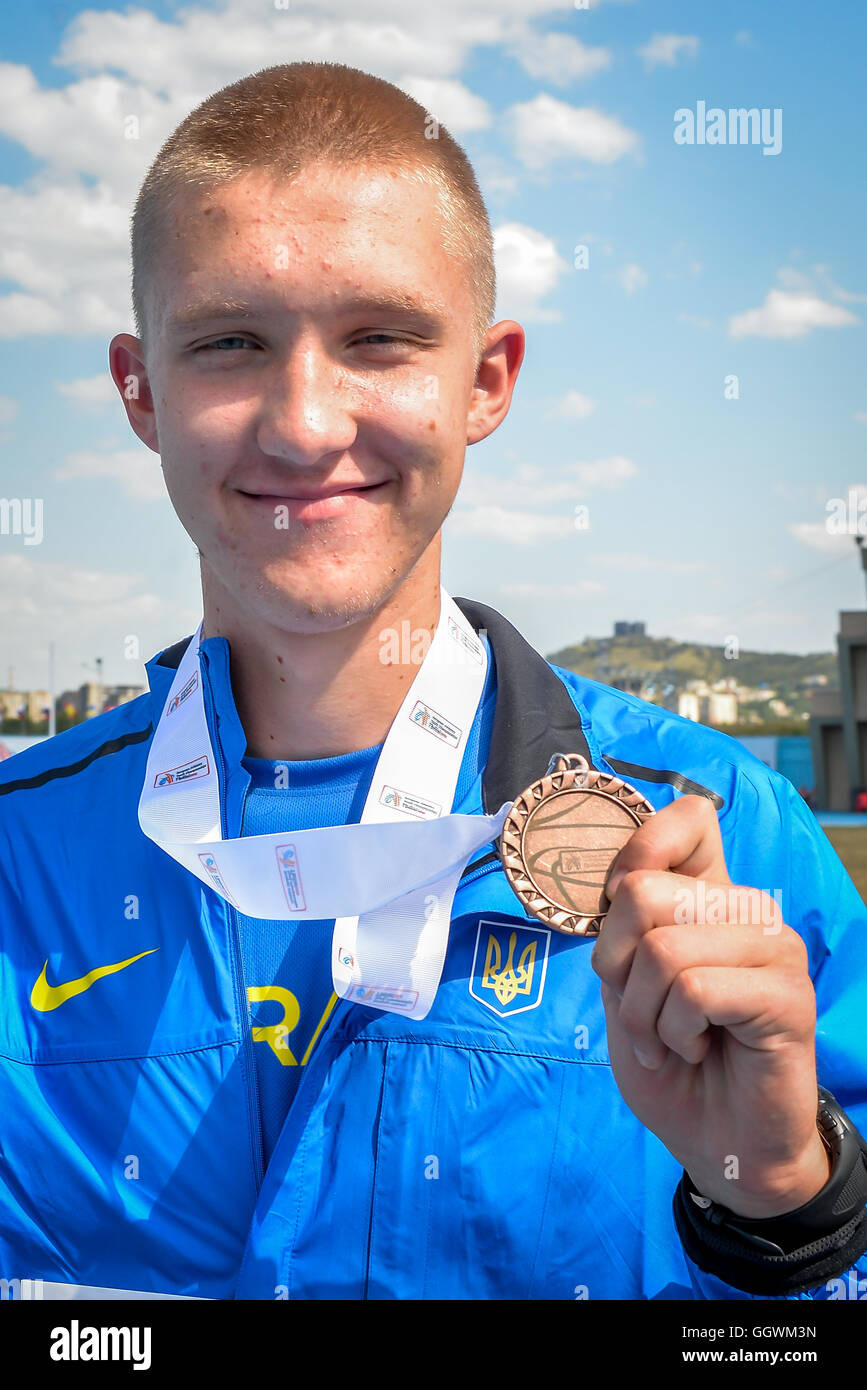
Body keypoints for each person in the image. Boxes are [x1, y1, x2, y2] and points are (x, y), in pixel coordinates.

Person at [1, 61, 866, 1302]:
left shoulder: (722, 842)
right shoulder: (16, 869)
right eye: (231, 343)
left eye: (380, 340)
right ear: (141, 391)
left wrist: (782, 1196)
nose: (303, 423)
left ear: (484, 382)